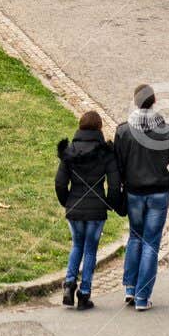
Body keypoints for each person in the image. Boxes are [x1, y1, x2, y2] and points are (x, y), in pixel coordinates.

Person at [114, 85, 169, 312]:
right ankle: (143, 297)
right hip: (158, 193)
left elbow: (118, 165)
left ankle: (130, 288)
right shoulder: (167, 131)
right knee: (151, 244)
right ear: (154, 101)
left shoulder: (124, 131)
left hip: (134, 192)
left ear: (136, 102)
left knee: (135, 237)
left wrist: (125, 182)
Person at [55, 109, 126, 311]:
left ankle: (69, 283)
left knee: (77, 245)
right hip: (96, 210)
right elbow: (114, 184)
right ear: (99, 128)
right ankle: (84, 294)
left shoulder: (69, 151)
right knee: (90, 250)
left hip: (75, 208)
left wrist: (67, 202)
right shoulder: (105, 152)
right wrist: (110, 203)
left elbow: (60, 183)